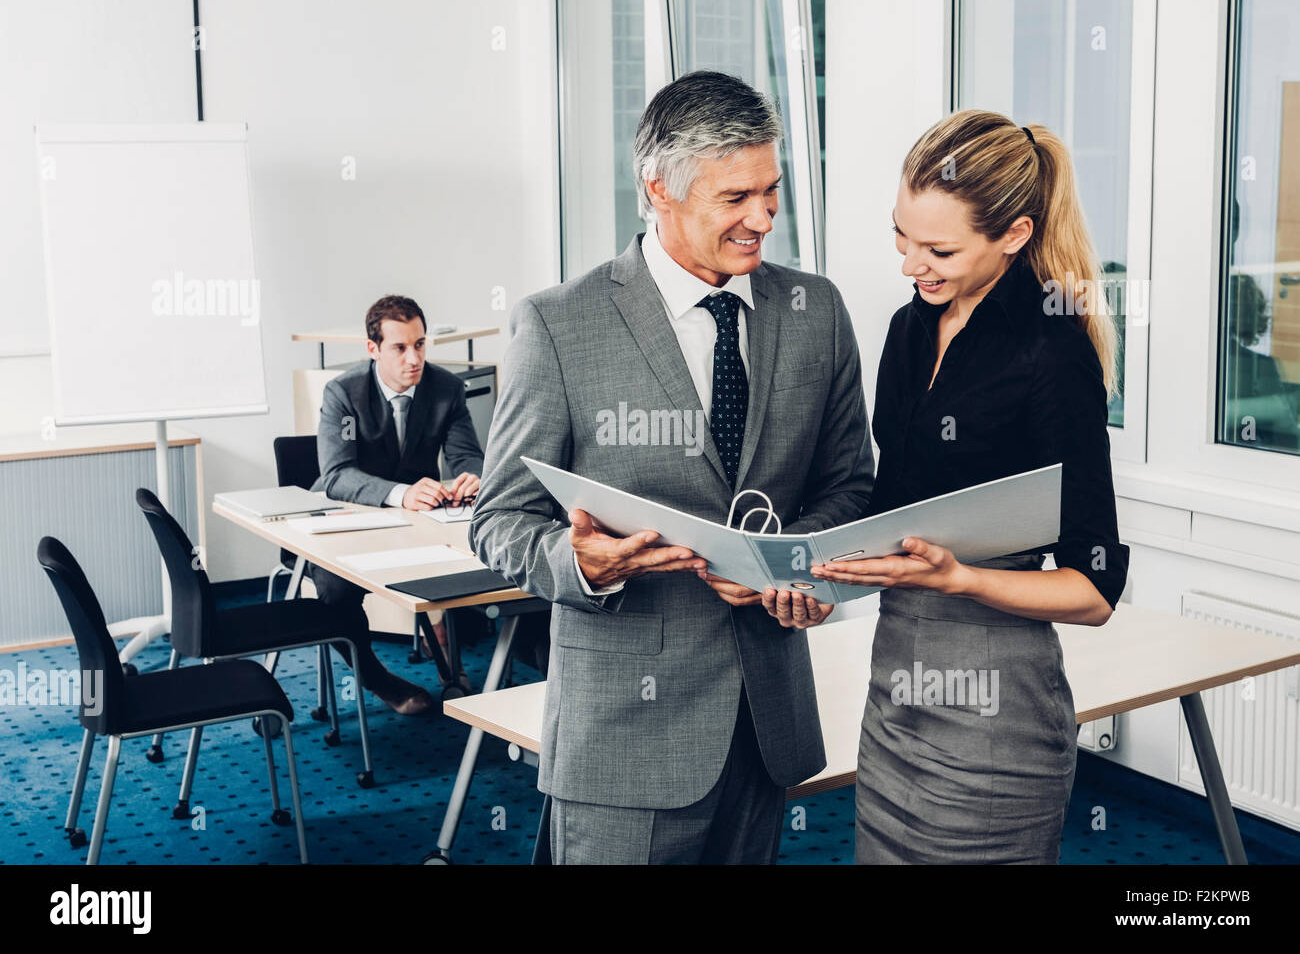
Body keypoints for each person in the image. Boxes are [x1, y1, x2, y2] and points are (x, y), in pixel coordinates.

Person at [470, 70, 874, 864]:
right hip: (624, 737)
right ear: (659, 188)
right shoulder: (559, 325)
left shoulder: (816, 311)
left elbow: (850, 486)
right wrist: (578, 562)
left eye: (772, 190)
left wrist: (793, 562)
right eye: (735, 198)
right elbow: (499, 520)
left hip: (768, 724)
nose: (763, 217)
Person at [767, 110, 1130, 863]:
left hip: (995, 713)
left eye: (938, 249)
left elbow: (1093, 590)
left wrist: (960, 577)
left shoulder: (1050, 355)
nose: (911, 264)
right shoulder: (910, 328)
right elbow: (890, 509)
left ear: (1015, 236)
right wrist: (808, 569)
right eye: (902, 237)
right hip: (895, 688)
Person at [311, 294, 484, 716]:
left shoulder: (445, 389)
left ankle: (455, 661)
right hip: (351, 519)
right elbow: (336, 475)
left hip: (420, 521)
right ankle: (377, 679)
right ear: (373, 349)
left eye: (420, 344)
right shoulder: (344, 394)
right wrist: (399, 493)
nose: (414, 358)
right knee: (335, 591)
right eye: (400, 347)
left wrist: (473, 476)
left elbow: (467, 457)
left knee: (481, 562)